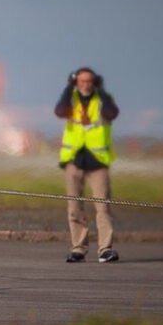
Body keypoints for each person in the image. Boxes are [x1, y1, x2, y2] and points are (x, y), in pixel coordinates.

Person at [55, 67, 120, 263]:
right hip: (74, 159)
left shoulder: (103, 99)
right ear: (76, 82)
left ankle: (105, 249)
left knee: (103, 206)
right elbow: (60, 111)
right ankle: (78, 248)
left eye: (89, 81)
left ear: (95, 82)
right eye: (81, 81)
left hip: (97, 160)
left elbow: (112, 113)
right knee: (74, 207)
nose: (86, 85)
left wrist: (102, 90)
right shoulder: (71, 98)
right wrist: (68, 87)